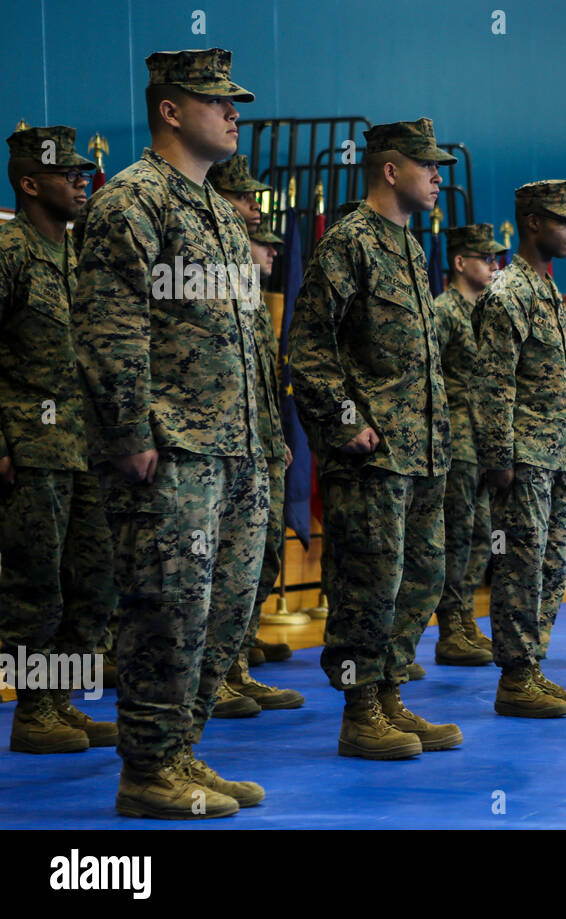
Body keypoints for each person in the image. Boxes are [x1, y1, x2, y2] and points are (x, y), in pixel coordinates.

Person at [74, 48, 268, 818]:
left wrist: (264, 442)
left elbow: (246, 337)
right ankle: (147, 767)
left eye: (236, 103)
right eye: (218, 101)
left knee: (222, 613)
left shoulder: (219, 209)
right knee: (167, 610)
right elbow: (110, 330)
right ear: (170, 109)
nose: (234, 114)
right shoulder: (130, 202)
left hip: (236, 449)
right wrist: (128, 433)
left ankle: (182, 747)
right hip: (172, 451)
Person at [290, 117, 462, 758]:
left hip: (420, 453)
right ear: (391, 170)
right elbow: (308, 350)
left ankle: (389, 696)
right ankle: (360, 712)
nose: (439, 178)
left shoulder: (411, 248)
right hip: (371, 458)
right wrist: (345, 425)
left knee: (420, 578)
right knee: (368, 585)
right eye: (429, 166)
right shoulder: (349, 244)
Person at [1, 125, 117, 755]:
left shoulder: (78, 259)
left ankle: (61, 703)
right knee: (34, 587)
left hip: (87, 452)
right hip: (31, 452)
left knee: (92, 585)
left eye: (83, 173)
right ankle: (32, 712)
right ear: (28, 183)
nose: (82, 182)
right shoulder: (9, 251)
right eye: (67, 175)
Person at [472, 179, 566, 717]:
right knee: (519, 567)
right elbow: (494, 382)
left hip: (556, 457)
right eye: (563, 220)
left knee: (548, 567)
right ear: (533, 222)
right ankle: (515, 677)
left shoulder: (545, 290)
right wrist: (498, 459)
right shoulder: (508, 291)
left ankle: (533, 668)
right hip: (523, 460)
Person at [216, 220, 306, 714]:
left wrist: (274, 437)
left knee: (258, 558)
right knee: (221, 567)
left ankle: (236, 663)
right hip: (217, 448)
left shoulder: (250, 295)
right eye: (261, 239)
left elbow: (259, 378)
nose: (273, 249)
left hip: (258, 444)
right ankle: (217, 676)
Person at [429, 223, 503, 667]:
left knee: (481, 536)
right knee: (455, 536)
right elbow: (429, 378)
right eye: (486, 258)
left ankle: (464, 616)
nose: (494, 266)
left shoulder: (484, 312)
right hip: (456, 441)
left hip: (483, 441)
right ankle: (449, 628)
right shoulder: (443, 312)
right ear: (460, 263)